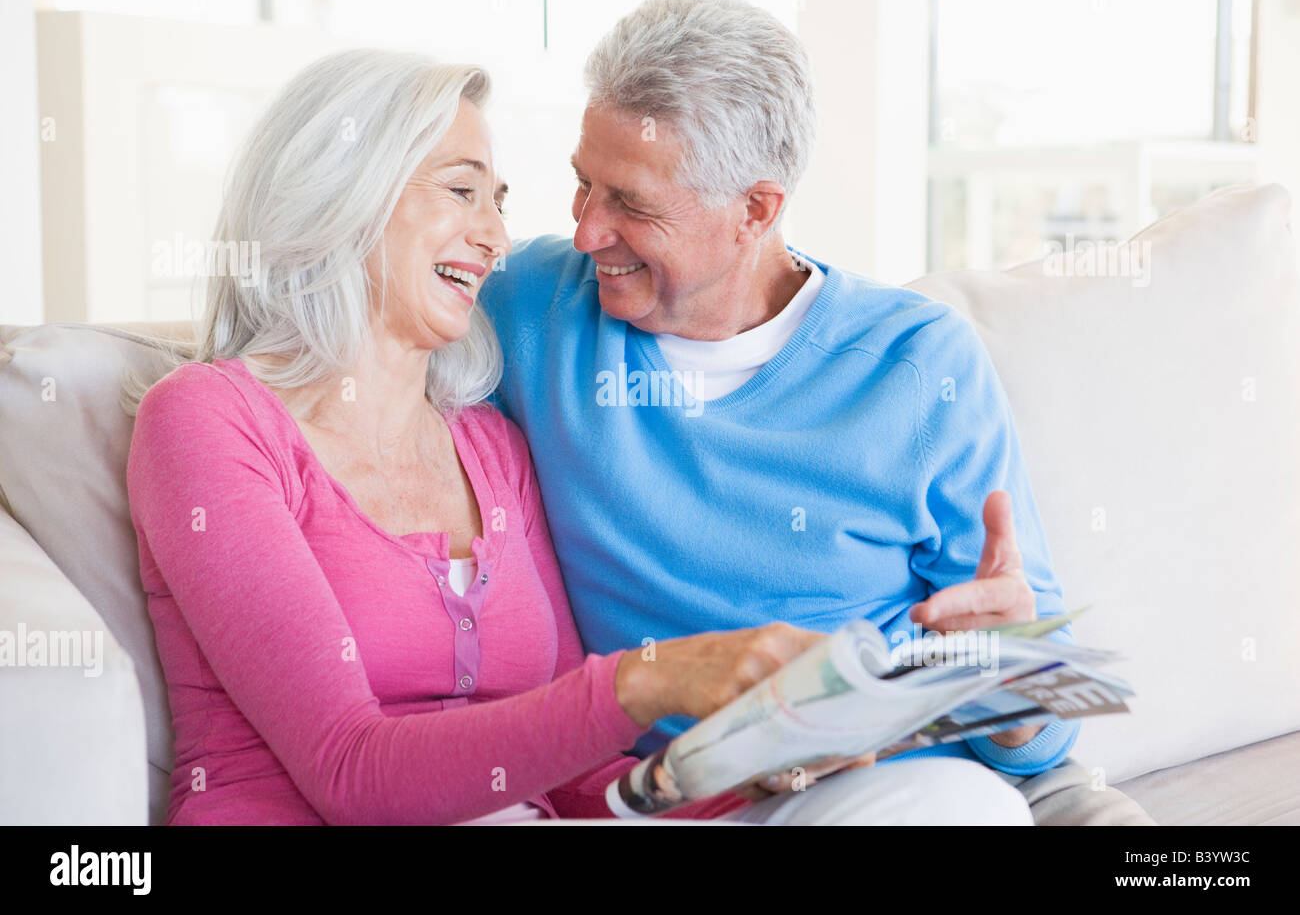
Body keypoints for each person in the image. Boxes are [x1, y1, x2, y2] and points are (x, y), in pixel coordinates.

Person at [125, 48, 1032, 825]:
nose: (497, 238)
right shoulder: (209, 421)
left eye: (499, 199)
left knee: (966, 808)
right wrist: (649, 679)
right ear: (341, 196)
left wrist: (748, 770)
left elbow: (572, 777)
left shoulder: (490, 447)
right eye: (460, 192)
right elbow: (350, 771)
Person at [478, 0, 1155, 825]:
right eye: (584, 186)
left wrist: (1004, 664)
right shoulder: (529, 303)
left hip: (883, 784)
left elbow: (1038, 741)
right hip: (659, 793)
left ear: (756, 210)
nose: (586, 231)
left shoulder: (919, 363)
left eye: (632, 205)